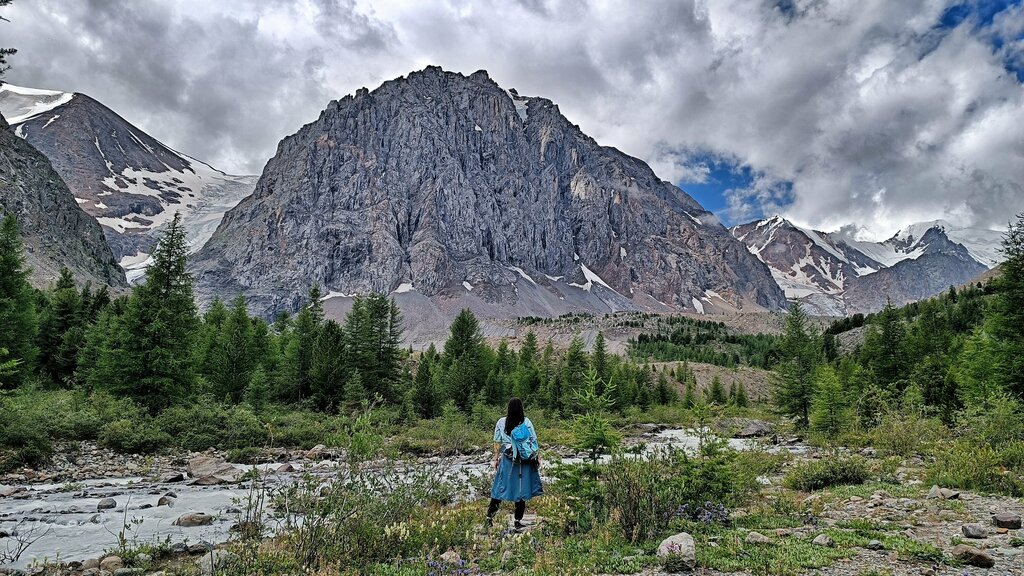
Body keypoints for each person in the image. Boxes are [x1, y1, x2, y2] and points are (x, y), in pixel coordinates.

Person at [487, 397, 542, 529]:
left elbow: (497, 442)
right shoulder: (526, 422)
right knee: (521, 489)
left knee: (500, 487)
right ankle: (517, 520)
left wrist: (495, 459)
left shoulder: (501, 422)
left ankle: (489, 516)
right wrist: (538, 458)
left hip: (508, 459)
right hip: (524, 460)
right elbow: (533, 441)